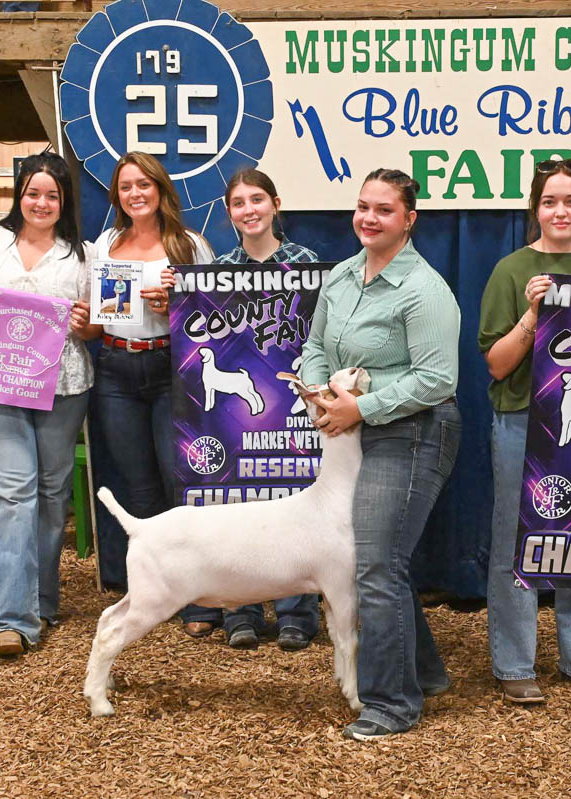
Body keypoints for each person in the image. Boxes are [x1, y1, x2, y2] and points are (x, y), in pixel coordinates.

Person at [300, 168, 461, 741]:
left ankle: (391, 703)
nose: (369, 218)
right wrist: (320, 392)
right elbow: (316, 345)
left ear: (409, 219)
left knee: (374, 563)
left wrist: (359, 410)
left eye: (384, 210)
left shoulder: (425, 289)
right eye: (363, 206)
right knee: (382, 558)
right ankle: (425, 672)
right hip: (356, 428)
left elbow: (438, 378)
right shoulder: (342, 277)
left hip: (416, 430)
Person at [477, 156, 571, 705]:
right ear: (535, 209)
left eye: (570, 200)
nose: (559, 210)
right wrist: (533, 317)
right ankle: (515, 662)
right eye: (549, 201)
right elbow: (496, 364)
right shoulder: (512, 270)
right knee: (514, 541)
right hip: (521, 417)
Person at [0, 152, 101, 658]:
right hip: (0, 385)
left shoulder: (84, 255)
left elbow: (96, 326)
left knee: (52, 496)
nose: (42, 202)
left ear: (64, 200)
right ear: (19, 195)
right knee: (11, 493)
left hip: (64, 386)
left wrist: (84, 324)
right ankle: (9, 619)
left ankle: (42, 600)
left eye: (52, 194)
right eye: (33, 192)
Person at [89, 152, 216, 642]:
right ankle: (153, 594)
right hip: (116, 367)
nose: (135, 193)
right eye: (126, 187)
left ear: (161, 189)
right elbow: (99, 321)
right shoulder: (106, 245)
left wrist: (179, 305)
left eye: (144, 184)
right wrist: (85, 320)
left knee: (180, 482)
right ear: (117, 196)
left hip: (172, 369)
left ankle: (201, 599)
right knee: (137, 487)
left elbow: (215, 320)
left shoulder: (189, 246)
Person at [213, 168, 321, 652]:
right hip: (239, 408)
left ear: (276, 204)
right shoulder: (217, 268)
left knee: (295, 505)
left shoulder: (305, 262)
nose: (249, 210)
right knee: (239, 503)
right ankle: (241, 610)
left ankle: (298, 612)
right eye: (239, 203)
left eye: (257, 199)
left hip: (292, 399)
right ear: (229, 211)